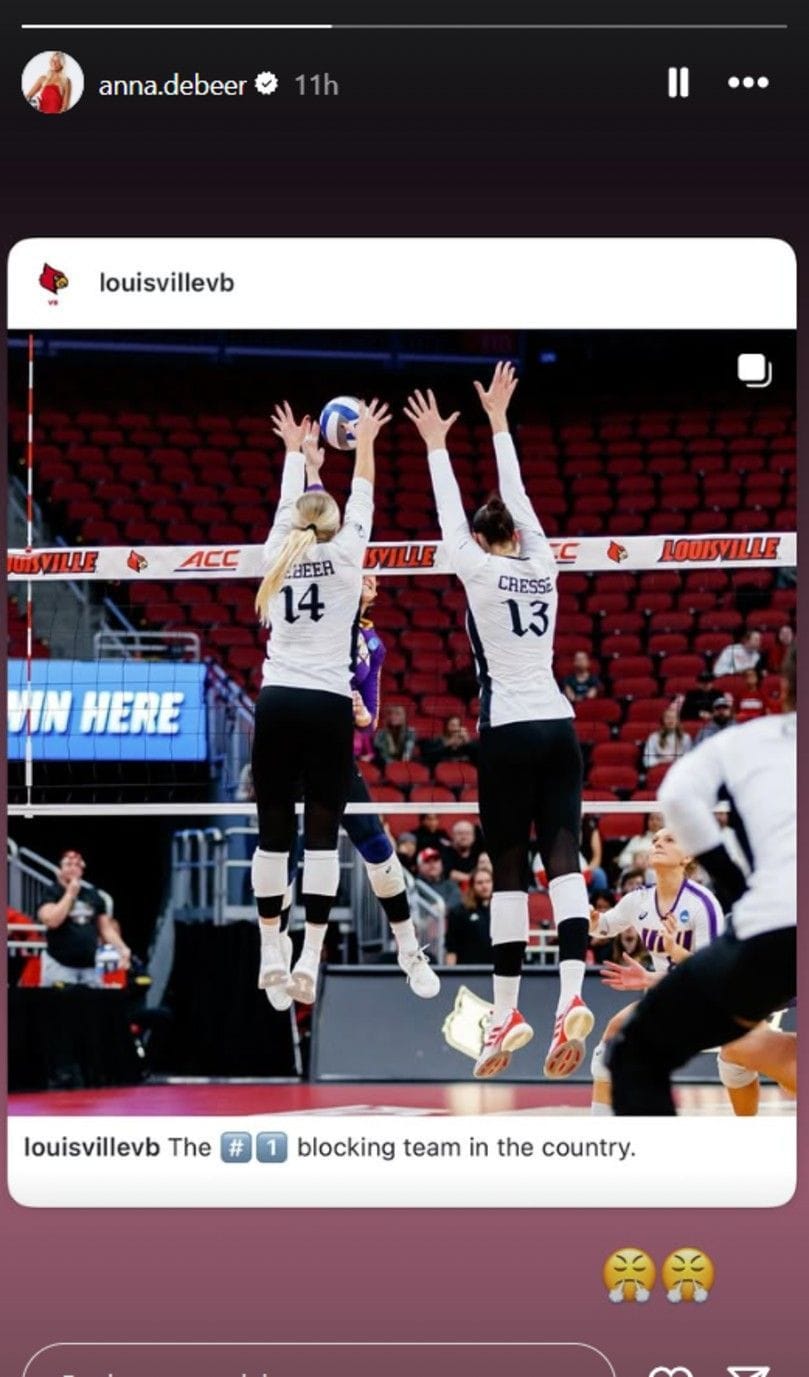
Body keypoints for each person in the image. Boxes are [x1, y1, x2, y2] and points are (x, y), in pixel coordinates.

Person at [406, 361, 593, 1080]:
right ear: (516, 533)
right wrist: (499, 423)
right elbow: (514, 495)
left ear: (483, 542)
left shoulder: (476, 566)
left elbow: (452, 515)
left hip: (509, 728)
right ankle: (570, 997)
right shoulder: (541, 561)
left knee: (509, 872)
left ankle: (508, 1010)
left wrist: (433, 444)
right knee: (565, 860)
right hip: (559, 723)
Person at [608, 646, 796, 1116]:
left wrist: (733, 883)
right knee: (740, 1053)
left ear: (784, 689)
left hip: (775, 927)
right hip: (769, 940)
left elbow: (676, 794)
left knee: (638, 1054)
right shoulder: (641, 898)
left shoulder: (754, 739)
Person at [252, 399, 392, 1006]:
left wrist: (296, 456)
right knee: (321, 836)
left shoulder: (274, 558)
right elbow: (362, 492)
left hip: (277, 701)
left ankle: (268, 951)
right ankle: (308, 955)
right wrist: (365, 443)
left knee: (272, 835)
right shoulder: (344, 559)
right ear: (335, 524)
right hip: (326, 705)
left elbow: (292, 513)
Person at [266, 552, 440, 1011]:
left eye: (376, 576)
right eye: (365, 571)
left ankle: (408, 948)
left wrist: (364, 715)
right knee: (285, 848)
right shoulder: (316, 617)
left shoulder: (373, 644)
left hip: (333, 754)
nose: (373, 580)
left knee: (377, 847)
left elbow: (372, 715)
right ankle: (279, 944)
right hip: (291, 742)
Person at [587, 827, 723, 1115]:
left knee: (736, 1067)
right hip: (665, 999)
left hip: (706, 1004)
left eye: (669, 839)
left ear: (687, 857)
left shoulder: (703, 904)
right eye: (655, 840)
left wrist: (675, 954)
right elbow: (605, 926)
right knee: (608, 1047)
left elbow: (712, 975)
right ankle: (600, 1128)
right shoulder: (639, 900)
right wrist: (591, 919)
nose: (658, 843)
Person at [38, 850, 130, 987]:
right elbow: (52, 921)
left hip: (90, 967)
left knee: (93, 1006)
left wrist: (122, 948)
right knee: (57, 1006)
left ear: (82, 869)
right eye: (68, 864)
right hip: (59, 966)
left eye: (77, 865)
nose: (73, 868)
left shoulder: (93, 895)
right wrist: (70, 894)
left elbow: (105, 929)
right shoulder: (52, 892)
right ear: (61, 868)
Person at [445, 868, 494, 965]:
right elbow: (451, 949)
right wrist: (451, 976)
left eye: (488, 881)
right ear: (472, 886)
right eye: (480, 883)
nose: (485, 886)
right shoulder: (459, 912)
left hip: (496, 972)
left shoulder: (499, 911)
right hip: (468, 972)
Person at [415, 848, 463, 912]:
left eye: (436, 860)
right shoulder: (415, 887)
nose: (432, 864)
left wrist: (441, 908)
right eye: (427, 861)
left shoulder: (451, 885)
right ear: (419, 867)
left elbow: (457, 902)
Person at [443, 819, 483, 885]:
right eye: (460, 833)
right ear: (452, 836)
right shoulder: (446, 852)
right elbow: (449, 873)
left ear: (474, 837)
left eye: (467, 833)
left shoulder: (479, 851)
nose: (464, 837)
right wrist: (473, 879)